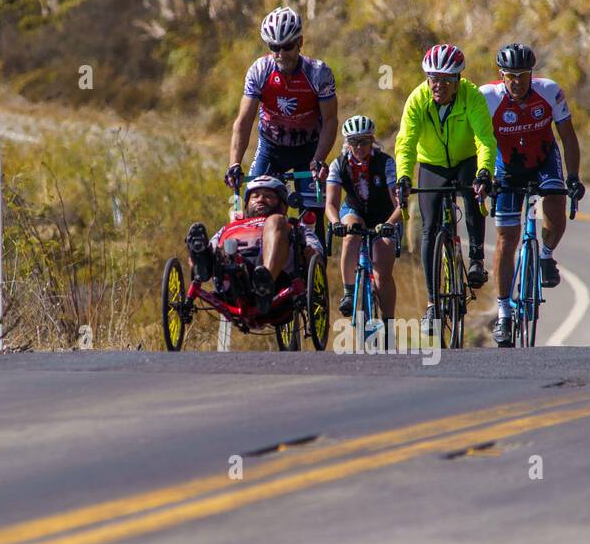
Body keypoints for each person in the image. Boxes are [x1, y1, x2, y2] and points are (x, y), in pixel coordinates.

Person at [479, 42, 585, 347]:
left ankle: (545, 256)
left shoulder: (549, 91)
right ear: (501, 75)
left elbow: (567, 136)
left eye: (522, 75)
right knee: (505, 239)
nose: (516, 81)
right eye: (510, 75)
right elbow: (477, 139)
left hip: (543, 159)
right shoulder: (487, 97)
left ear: (531, 74)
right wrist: (482, 175)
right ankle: (503, 314)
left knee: (556, 205)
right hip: (507, 166)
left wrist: (574, 177)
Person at [393, 43, 497, 330]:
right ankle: (431, 305)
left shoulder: (472, 96)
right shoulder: (417, 99)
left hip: (465, 159)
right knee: (429, 229)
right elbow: (405, 144)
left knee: (474, 194)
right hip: (432, 164)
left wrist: (484, 172)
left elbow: (485, 140)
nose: (438, 85)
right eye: (433, 79)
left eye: (446, 80)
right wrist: (403, 177)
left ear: (458, 80)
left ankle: (476, 259)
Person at [226, 6, 338, 243]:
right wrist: (234, 164)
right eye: (274, 47)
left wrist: (319, 160)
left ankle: (312, 271)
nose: (281, 54)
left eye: (287, 46)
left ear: (300, 42)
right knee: (256, 208)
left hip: (308, 151)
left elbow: (330, 120)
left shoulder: (318, 73)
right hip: (272, 150)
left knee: (312, 220)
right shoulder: (260, 71)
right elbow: (243, 121)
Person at [186, 175, 320, 315]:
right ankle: (204, 267)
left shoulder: (291, 225)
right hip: (230, 279)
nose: (261, 199)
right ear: (247, 202)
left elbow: (316, 249)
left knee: (276, 221)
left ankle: (264, 283)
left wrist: (312, 252)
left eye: (268, 196)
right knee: (213, 244)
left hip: (276, 283)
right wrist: (196, 259)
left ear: (283, 205)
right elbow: (211, 248)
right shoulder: (230, 227)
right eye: (255, 196)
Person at [324, 115, 403, 322]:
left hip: (383, 215)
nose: (359, 147)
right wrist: (335, 223)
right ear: (346, 143)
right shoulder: (338, 164)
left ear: (372, 140)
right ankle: (349, 292)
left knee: (381, 275)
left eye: (364, 141)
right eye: (353, 141)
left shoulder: (385, 163)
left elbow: (400, 206)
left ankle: (388, 322)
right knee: (352, 232)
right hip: (354, 210)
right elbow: (331, 204)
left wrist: (390, 224)